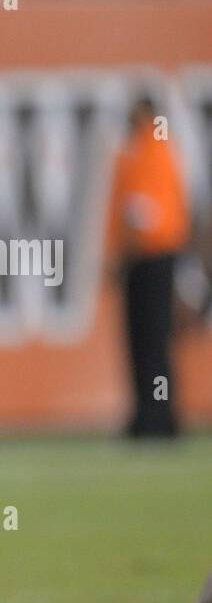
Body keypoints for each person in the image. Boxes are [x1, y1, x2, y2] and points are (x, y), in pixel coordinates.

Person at [109, 95, 190, 439]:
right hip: (142, 258)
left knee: (153, 342)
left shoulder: (153, 150)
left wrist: (126, 248)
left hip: (154, 257)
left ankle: (158, 416)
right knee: (142, 342)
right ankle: (148, 413)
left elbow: (145, 213)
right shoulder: (145, 150)